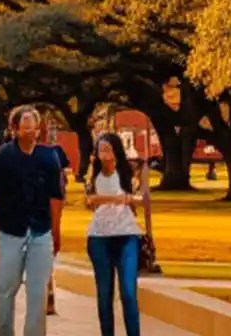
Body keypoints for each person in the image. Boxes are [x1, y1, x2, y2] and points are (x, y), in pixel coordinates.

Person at [0, 106, 65, 336]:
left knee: (38, 293)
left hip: (40, 231)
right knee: (6, 289)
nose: (30, 132)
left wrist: (56, 232)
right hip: (10, 232)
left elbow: (56, 198)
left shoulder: (49, 157)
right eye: (25, 127)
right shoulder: (0, 158)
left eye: (34, 127)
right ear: (14, 129)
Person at [86, 133, 144, 336]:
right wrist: (113, 198)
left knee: (128, 293)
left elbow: (141, 198)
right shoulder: (93, 173)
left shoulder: (127, 172)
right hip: (99, 237)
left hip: (126, 234)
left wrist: (126, 198)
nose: (104, 153)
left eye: (108, 149)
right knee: (104, 294)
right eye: (101, 149)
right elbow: (90, 200)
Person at [37, 117, 71, 316]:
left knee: (49, 249)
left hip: (51, 204)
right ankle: (45, 288)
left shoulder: (55, 152)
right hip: (31, 208)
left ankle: (48, 288)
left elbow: (61, 181)